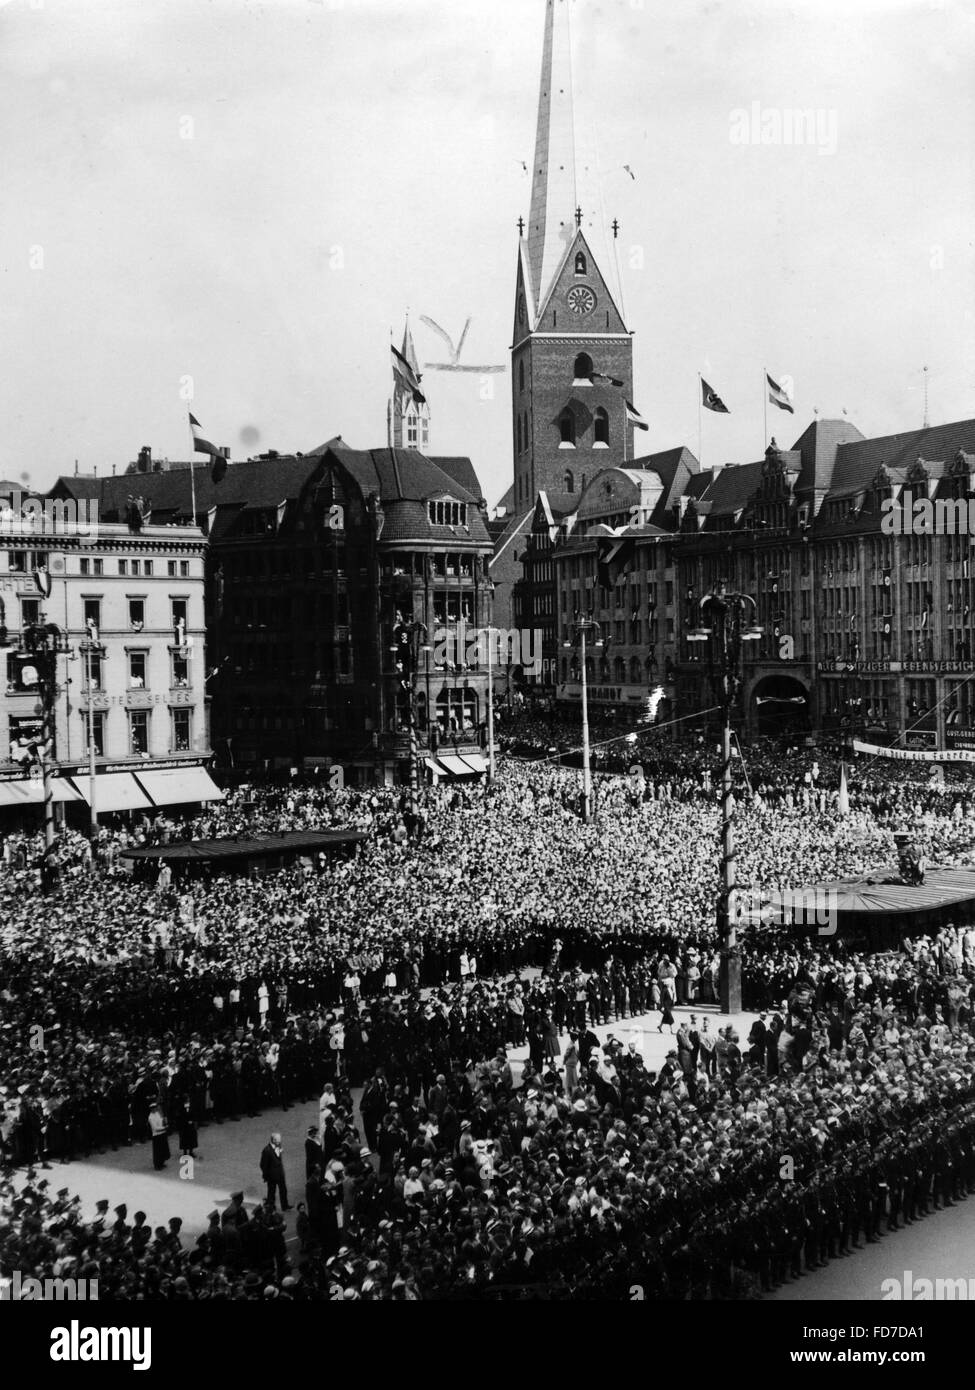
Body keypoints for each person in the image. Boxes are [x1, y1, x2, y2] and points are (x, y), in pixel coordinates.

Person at [260, 1132, 291, 1212]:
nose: (280, 1142)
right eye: (278, 1140)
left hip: (280, 1174)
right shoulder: (266, 1151)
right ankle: (271, 1207)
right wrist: (266, 1176)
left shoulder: (278, 1146)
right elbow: (263, 1165)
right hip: (272, 1176)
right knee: (271, 1192)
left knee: (283, 1190)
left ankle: (285, 1206)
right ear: (273, 1140)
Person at [148, 1103, 170, 1171]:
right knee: (158, 1151)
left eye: (155, 1107)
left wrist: (165, 1122)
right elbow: (155, 1128)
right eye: (153, 1108)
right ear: (151, 1109)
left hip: (162, 1134)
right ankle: (157, 1165)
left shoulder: (158, 1113)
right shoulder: (150, 1117)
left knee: (163, 1149)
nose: (155, 1109)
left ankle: (162, 1162)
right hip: (157, 1135)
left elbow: (161, 1120)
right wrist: (164, 1128)